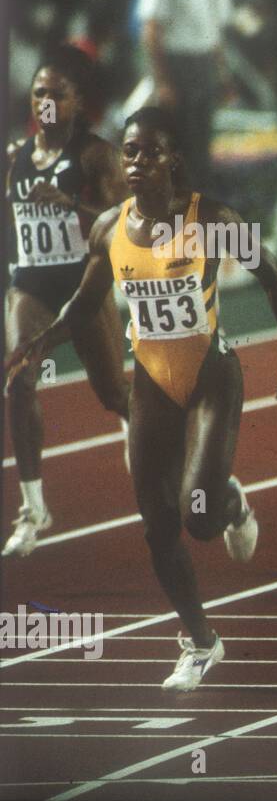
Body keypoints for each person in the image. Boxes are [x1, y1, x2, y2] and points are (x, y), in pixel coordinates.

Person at [6, 106, 277, 692]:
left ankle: (228, 503)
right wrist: (42, 338)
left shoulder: (211, 220)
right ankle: (201, 643)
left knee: (198, 519)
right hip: (149, 376)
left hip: (209, 375)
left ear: (174, 160)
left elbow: (273, 276)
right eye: (129, 151)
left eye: (149, 152)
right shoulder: (109, 228)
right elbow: (87, 299)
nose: (136, 162)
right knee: (157, 525)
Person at [5, 45, 131, 557]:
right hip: (31, 285)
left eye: (58, 94)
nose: (47, 103)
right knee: (16, 377)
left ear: (79, 101)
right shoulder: (14, 157)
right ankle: (34, 508)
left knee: (113, 396)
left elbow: (126, 223)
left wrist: (73, 205)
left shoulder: (96, 155)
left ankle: (161, 449)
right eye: (39, 94)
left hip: (85, 283)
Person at [137, 0, 239, 192]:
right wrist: (162, 82)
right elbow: (151, 28)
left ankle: (201, 212)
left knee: (201, 146)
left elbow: (215, 32)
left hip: (204, 66)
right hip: (175, 66)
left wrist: (223, 77)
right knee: (177, 148)